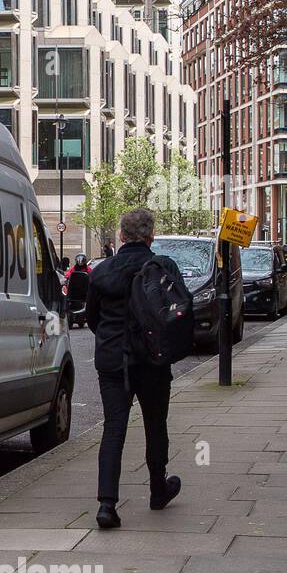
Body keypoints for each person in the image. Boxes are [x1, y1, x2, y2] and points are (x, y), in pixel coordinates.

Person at [85, 208, 182, 529]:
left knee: (114, 427)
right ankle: (158, 488)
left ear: (121, 236)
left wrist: (112, 337)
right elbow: (175, 312)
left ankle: (107, 504)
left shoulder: (102, 272)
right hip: (153, 360)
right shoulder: (163, 267)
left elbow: (92, 318)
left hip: (113, 360)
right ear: (151, 236)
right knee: (156, 423)